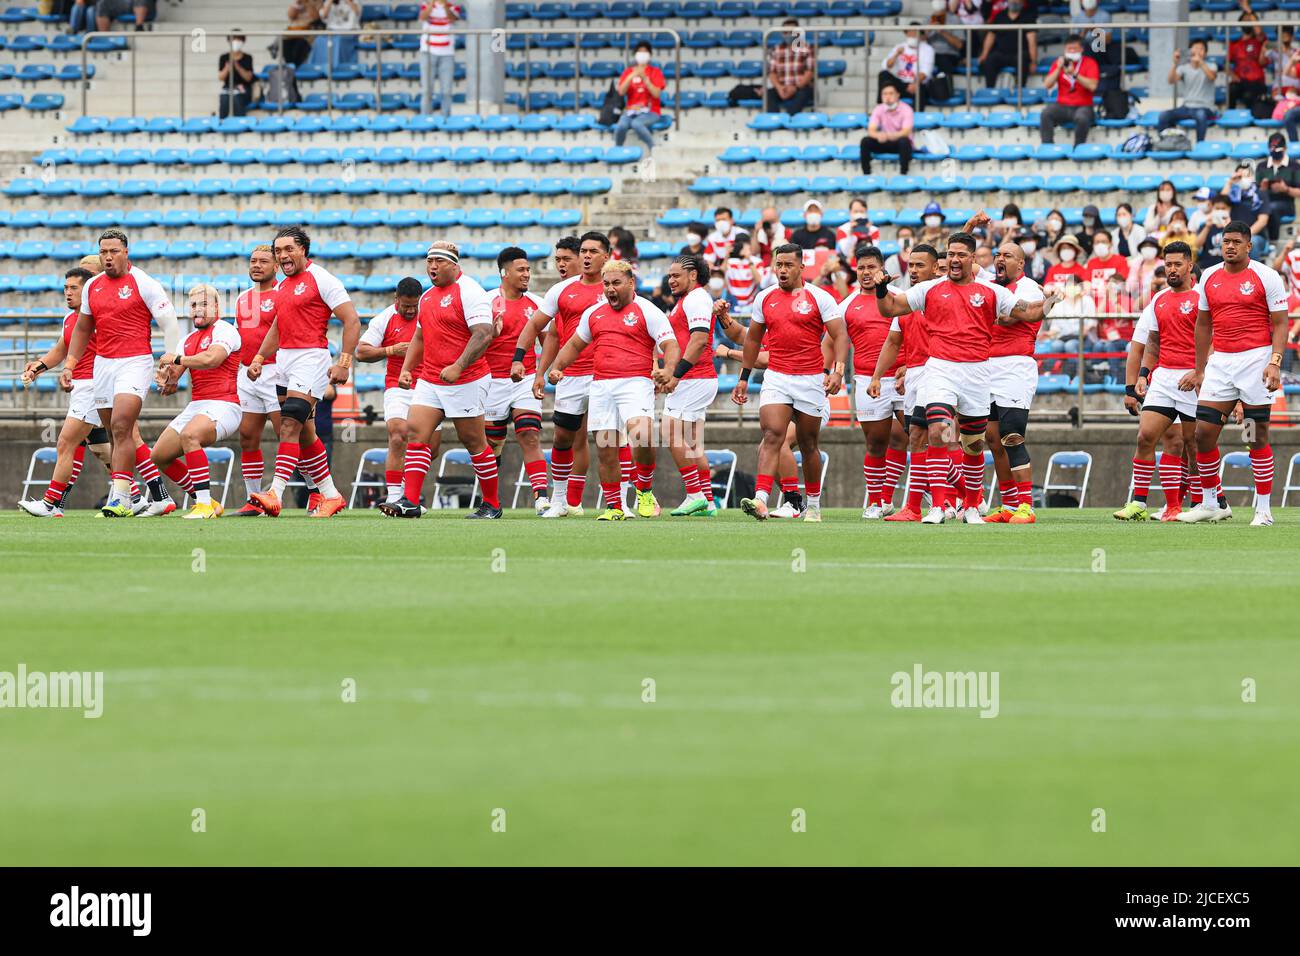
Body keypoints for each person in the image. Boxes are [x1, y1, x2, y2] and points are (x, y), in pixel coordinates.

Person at [874, 230, 1047, 524]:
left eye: (960, 255)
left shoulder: (991, 291)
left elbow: (1029, 313)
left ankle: (970, 506)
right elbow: (890, 307)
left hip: (979, 372)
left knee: (974, 444)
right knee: (939, 430)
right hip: (940, 368)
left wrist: (1051, 301)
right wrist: (880, 291)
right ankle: (939, 507)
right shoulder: (930, 289)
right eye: (950, 254)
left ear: (972, 259)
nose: (954, 259)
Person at [60, 229, 179, 518]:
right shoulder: (93, 287)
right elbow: (83, 328)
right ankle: (130, 494)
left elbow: (170, 323)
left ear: (126, 252)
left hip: (135, 362)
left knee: (123, 424)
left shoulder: (143, 282)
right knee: (115, 433)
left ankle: (123, 498)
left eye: (114, 251)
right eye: (104, 252)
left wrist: (172, 359)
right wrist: (69, 364)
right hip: (103, 364)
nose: (109, 256)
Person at [548, 261, 680, 520]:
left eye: (616, 283)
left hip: (635, 383)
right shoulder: (593, 313)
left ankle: (643, 488)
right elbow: (574, 344)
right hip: (601, 385)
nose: (610, 289)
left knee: (642, 435)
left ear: (631, 283)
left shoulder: (648, 310)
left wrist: (668, 370)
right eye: (606, 283)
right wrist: (557, 367)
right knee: (606, 448)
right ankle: (615, 507)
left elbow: (671, 345)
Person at [1178, 221, 1288, 526]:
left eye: (1236, 242)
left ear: (1248, 246)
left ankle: (1263, 509)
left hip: (1256, 361)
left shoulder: (1266, 276)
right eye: (1226, 241)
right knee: (1202, 435)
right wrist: (1201, 370)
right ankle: (1213, 503)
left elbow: (1280, 323)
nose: (1230, 246)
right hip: (1221, 363)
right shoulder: (1210, 277)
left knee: (1254, 435)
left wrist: (1275, 362)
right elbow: (1202, 325)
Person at [246, 226, 360, 518]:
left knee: (289, 425)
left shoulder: (321, 278)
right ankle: (332, 496)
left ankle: (275, 493)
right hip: (284, 360)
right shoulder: (283, 286)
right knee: (306, 434)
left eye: (288, 249)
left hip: (311, 358)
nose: (283, 256)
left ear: (303, 250)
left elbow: (352, 321)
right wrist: (260, 356)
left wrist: (344, 362)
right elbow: (278, 327)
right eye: (278, 251)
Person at [383, 241, 501, 519]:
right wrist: (407, 368)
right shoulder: (427, 297)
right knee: (415, 433)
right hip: (431, 379)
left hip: (467, 379)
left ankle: (492, 504)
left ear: (454, 264)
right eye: (429, 261)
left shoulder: (470, 291)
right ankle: (409, 501)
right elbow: (421, 337)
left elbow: (483, 333)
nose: (432, 267)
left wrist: (459, 366)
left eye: (439, 261)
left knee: (473, 441)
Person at [732, 244, 848, 522]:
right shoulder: (764, 298)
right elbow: (753, 340)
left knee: (808, 444)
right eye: (778, 264)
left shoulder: (820, 297)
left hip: (810, 380)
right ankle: (761, 499)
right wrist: (744, 378)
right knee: (772, 434)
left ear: (801, 267)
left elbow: (840, 335)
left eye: (788, 265)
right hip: (777, 377)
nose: (782, 270)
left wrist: (837, 371)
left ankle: (813, 504)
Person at [511, 232, 611, 518]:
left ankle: (622, 502)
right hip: (570, 375)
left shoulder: (615, 287)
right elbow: (547, 331)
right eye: (582, 252)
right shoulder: (561, 291)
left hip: (607, 374)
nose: (584, 257)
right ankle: (561, 501)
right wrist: (535, 369)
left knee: (610, 438)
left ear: (606, 256)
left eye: (569, 257)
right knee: (563, 438)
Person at [18, 267, 120, 518]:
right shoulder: (69, 319)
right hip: (81, 387)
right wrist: (37, 368)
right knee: (104, 449)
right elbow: (60, 350)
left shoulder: (96, 316)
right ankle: (134, 496)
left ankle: (51, 503)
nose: (68, 293)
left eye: (73, 288)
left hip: (92, 385)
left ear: (86, 290)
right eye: (65, 288)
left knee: (66, 442)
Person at [1114, 243, 1201, 522]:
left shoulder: (1202, 298)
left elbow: (1214, 342)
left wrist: (1202, 372)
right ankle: (1143, 503)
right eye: (1168, 265)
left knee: (1193, 443)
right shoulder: (1159, 300)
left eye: (1177, 264)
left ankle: (1204, 501)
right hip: (1164, 377)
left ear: (1189, 265)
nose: (1172, 269)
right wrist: (1143, 375)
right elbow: (1151, 342)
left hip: (1193, 376)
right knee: (1146, 436)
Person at [148, 286, 243, 520]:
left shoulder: (225, 330)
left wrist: (178, 358)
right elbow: (173, 379)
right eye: (193, 305)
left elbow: (212, 359)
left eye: (204, 304)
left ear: (216, 307)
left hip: (225, 405)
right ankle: (208, 502)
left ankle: (203, 506)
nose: (198, 310)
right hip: (198, 406)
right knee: (159, 455)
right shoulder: (187, 340)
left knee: (190, 436)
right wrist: (165, 378)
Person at [869, 241, 942, 522]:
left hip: (939, 371)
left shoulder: (943, 295)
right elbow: (893, 341)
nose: (913, 270)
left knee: (929, 436)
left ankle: (927, 505)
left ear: (936, 268)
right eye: (910, 265)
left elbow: (964, 256)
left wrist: (969, 229)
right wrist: (878, 376)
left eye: (920, 265)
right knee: (921, 438)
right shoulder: (907, 301)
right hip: (913, 374)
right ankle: (961, 499)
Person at [982, 241, 1050, 524]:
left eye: (1007, 256)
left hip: (1014, 365)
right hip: (988, 366)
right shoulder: (992, 286)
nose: (1000, 259)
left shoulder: (1028, 288)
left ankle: (1026, 505)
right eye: (997, 255)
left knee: (1011, 434)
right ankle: (1008, 504)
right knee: (992, 437)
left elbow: (1007, 317)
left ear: (1020, 264)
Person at [841, 246, 909, 519]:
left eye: (871, 267)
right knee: (875, 443)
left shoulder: (901, 299)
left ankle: (953, 497)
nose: (866, 273)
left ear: (882, 269)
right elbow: (836, 342)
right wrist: (833, 371)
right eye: (861, 268)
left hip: (905, 378)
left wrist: (910, 364)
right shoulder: (845, 305)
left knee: (919, 437)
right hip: (868, 380)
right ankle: (878, 500)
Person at [482, 249, 550, 514]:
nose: (526, 274)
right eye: (521, 270)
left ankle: (541, 497)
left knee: (529, 434)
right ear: (504, 273)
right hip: (491, 382)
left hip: (525, 380)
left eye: (528, 270)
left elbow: (549, 342)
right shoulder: (485, 302)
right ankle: (490, 500)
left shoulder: (537, 304)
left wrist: (542, 373)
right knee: (491, 445)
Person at [659, 255, 720, 517]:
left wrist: (676, 374)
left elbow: (698, 340)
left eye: (676, 276)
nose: (671, 280)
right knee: (694, 445)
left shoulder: (695, 298)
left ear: (693, 275)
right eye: (669, 276)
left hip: (694, 378)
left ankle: (694, 494)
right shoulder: (691, 300)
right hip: (699, 377)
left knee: (669, 431)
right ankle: (708, 502)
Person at [354, 278, 422, 508]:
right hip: (398, 385)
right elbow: (361, 352)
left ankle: (407, 495)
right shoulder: (385, 318)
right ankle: (394, 497)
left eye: (415, 305)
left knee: (427, 449)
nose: (411, 310)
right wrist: (391, 350)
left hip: (429, 386)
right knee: (397, 435)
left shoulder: (430, 314)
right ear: (396, 300)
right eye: (406, 306)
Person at [229, 246, 283, 515]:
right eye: (253, 261)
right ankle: (255, 499)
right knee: (248, 437)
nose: (257, 265)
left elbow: (285, 334)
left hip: (275, 371)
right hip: (247, 373)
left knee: (288, 435)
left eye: (263, 261)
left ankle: (315, 493)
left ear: (276, 266)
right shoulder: (243, 298)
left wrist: (262, 360)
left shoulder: (282, 295)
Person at [1040, 34, 1098, 146]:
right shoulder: (1059, 63)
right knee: (1046, 113)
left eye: (1074, 49)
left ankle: (1078, 148)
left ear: (1081, 49)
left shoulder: (1090, 63)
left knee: (1082, 118)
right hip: (1062, 105)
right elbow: (1047, 84)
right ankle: (1048, 147)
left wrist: (1075, 74)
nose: (1071, 51)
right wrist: (1058, 68)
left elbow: (1092, 86)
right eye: (1068, 49)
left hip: (1083, 105)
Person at [1157, 41, 1218, 143]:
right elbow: (1171, 80)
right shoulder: (1183, 68)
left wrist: (1201, 62)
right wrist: (1175, 64)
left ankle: (1200, 145)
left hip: (1205, 107)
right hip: (1186, 107)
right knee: (1164, 115)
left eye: (1201, 49)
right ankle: (1165, 143)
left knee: (1200, 115)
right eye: (1195, 48)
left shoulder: (1211, 66)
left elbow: (1212, 77)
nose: (1197, 51)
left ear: (1205, 53)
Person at [614, 41, 665, 151]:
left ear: (650, 55)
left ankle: (654, 148)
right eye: (639, 52)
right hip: (631, 111)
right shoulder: (628, 72)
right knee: (621, 126)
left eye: (645, 52)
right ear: (635, 54)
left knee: (636, 124)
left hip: (651, 111)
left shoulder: (655, 72)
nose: (642, 54)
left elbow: (656, 94)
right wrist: (631, 76)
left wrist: (645, 79)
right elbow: (621, 92)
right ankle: (617, 150)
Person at [978, 0, 1037, 90]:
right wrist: (984, 54)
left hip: (1019, 54)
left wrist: (1033, 61)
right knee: (990, 60)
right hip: (1001, 53)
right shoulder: (999, 16)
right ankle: (989, 91)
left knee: (1022, 61)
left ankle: (1020, 90)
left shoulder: (1028, 17)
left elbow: (1032, 41)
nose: (1014, 2)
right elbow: (991, 36)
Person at [860, 83, 914, 175]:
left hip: (899, 143)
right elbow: (871, 130)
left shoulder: (906, 109)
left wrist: (889, 136)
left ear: (898, 95)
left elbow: (906, 132)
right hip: (884, 141)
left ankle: (903, 174)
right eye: (884, 94)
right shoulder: (878, 109)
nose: (887, 96)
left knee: (904, 141)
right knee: (865, 141)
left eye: (891, 93)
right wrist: (878, 135)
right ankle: (866, 174)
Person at [1256, 132, 1300, 244]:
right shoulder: (1261, 166)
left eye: (1278, 149)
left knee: (1271, 208)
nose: (1275, 152)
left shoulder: (1294, 166)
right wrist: (1262, 188)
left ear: (1285, 148)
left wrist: (1286, 189)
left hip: (1286, 203)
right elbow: (1255, 191)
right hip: (1263, 201)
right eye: (1272, 149)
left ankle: (1272, 242)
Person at [766, 18, 816, 115]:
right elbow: (772, 72)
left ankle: (789, 120)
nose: (788, 35)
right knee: (769, 94)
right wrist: (779, 88)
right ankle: (774, 120)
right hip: (782, 87)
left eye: (791, 32)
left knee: (804, 94)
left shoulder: (807, 48)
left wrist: (795, 88)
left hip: (801, 88)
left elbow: (810, 72)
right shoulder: (775, 49)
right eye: (785, 32)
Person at [419, 1, 460, 117]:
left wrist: (445, 6)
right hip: (427, 50)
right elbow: (422, 17)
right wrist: (432, 4)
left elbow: (452, 19)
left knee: (446, 90)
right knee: (427, 89)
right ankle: (425, 117)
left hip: (447, 52)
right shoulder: (426, 3)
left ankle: (446, 117)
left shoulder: (453, 5)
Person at [1223, 161, 1270, 259]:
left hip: (1256, 235)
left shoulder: (1260, 194)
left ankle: (1253, 272)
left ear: (1252, 177)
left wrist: (1244, 236)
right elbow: (1220, 203)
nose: (1243, 179)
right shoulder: (1232, 195)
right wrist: (1230, 182)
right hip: (1233, 235)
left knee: (1253, 242)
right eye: (1240, 176)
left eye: (1247, 176)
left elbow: (1262, 221)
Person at [879, 24, 935, 102]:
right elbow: (887, 66)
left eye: (915, 32)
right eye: (910, 32)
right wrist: (896, 54)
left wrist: (915, 84)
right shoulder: (899, 47)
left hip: (916, 83)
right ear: (906, 34)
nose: (912, 35)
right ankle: (881, 108)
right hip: (900, 84)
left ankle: (918, 114)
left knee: (920, 89)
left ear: (920, 35)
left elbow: (925, 71)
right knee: (883, 75)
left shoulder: (928, 49)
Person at [1228, 11, 1269, 111]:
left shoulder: (1260, 41)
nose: (1247, 22)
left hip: (1256, 82)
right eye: (1245, 20)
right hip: (1241, 81)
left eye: (1250, 20)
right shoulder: (1234, 44)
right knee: (1232, 89)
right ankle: (1230, 115)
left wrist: (1249, 11)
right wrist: (1233, 75)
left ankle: (1251, 119)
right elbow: (1226, 63)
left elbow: (1259, 32)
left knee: (1248, 96)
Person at [218, 32, 255, 120]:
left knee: (237, 98)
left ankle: (240, 122)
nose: (236, 42)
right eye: (234, 39)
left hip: (243, 88)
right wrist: (227, 68)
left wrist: (237, 66)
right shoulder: (224, 57)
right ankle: (223, 122)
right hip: (228, 87)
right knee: (224, 98)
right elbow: (220, 77)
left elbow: (249, 78)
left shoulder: (247, 57)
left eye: (239, 39)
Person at [926, 4, 965, 79]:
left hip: (948, 54)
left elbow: (959, 45)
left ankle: (946, 88)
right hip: (929, 53)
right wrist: (928, 30)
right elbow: (919, 40)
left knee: (944, 61)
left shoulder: (955, 19)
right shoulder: (928, 19)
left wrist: (942, 31)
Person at [1197, 194, 1234, 269]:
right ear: (1212, 209)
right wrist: (1207, 227)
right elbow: (1198, 244)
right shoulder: (1205, 225)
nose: (1220, 211)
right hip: (1207, 266)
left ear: (1229, 209)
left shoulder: (1234, 226)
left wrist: (1228, 227)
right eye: (1217, 208)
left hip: (1228, 267)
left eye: (1223, 208)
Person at [281, 1, 322, 67]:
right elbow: (290, 16)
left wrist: (307, 3)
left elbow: (315, 18)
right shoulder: (298, 2)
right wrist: (297, 3)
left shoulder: (317, 2)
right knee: (285, 41)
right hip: (295, 29)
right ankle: (289, 65)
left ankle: (297, 66)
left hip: (309, 29)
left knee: (300, 43)